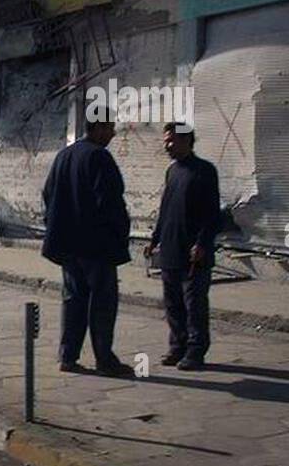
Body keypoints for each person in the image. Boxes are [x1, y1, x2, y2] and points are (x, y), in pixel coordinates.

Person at [41, 116, 134, 377]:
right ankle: (104, 359)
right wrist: (119, 234)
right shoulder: (99, 157)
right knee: (102, 303)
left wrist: (56, 226)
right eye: (110, 129)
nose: (113, 134)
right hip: (96, 246)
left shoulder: (64, 155)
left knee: (73, 300)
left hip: (68, 245)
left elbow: (48, 194)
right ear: (99, 128)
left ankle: (68, 356)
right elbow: (110, 202)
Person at [144, 122, 221, 371]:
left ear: (188, 141)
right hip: (170, 248)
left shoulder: (204, 171)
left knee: (194, 304)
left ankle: (196, 351)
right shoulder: (172, 171)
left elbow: (212, 214)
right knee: (173, 303)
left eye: (172, 141)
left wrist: (202, 243)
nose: (167, 145)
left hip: (193, 252)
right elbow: (165, 209)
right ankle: (177, 346)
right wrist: (154, 239)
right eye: (166, 141)